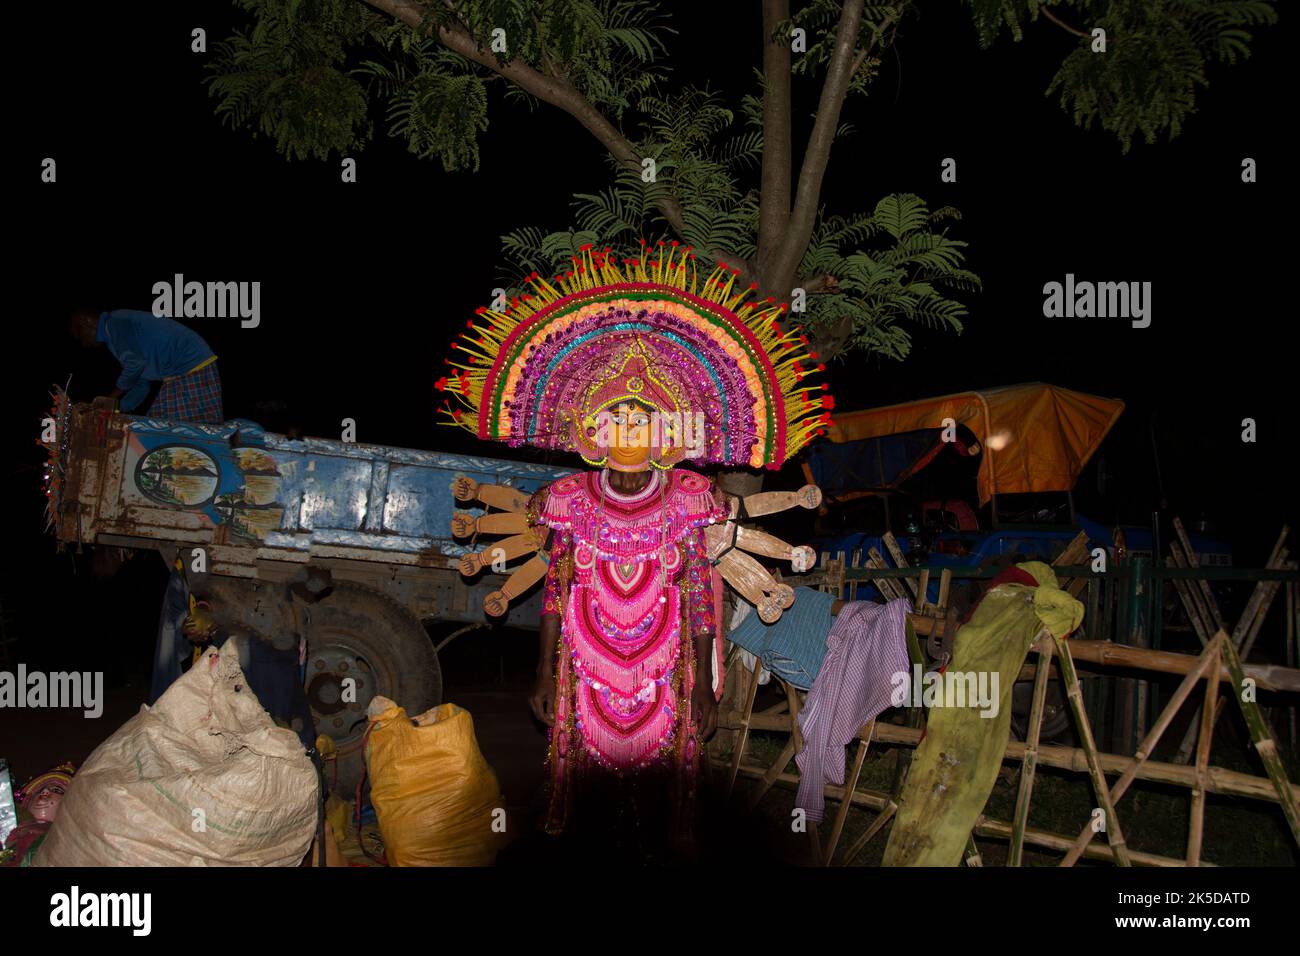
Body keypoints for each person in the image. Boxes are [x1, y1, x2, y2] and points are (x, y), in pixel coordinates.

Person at [437, 243, 832, 862]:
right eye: (612, 420)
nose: (627, 435)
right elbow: (557, 592)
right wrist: (543, 670)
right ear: (589, 426)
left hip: (667, 677)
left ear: (667, 433)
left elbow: (701, 595)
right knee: (587, 819)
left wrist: (703, 685)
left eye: (642, 422)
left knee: (661, 816)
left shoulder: (691, 497)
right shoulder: (567, 498)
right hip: (582, 672)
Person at [69, 308, 223, 424]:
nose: (83, 343)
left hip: (189, 364)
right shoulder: (114, 339)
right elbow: (141, 385)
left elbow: (135, 364)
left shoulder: (115, 323)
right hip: (183, 370)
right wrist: (115, 408)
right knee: (159, 424)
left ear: (86, 321)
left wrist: (110, 398)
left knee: (164, 428)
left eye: (79, 336)